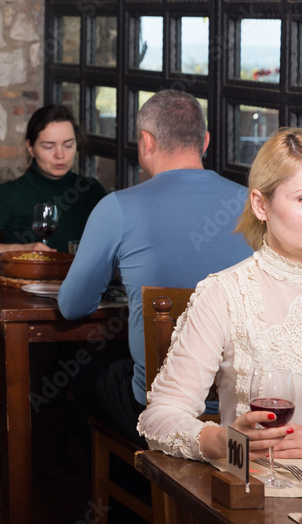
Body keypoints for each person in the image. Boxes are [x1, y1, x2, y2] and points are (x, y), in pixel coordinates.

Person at [58, 90, 253, 444]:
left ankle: (132, 487)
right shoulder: (252, 205)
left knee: (85, 372)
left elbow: (72, 306)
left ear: (145, 142)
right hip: (240, 405)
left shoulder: (117, 207)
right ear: (205, 141)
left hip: (156, 404)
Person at [138, 127, 302, 461]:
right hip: (258, 496)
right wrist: (227, 442)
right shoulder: (225, 294)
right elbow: (160, 417)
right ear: (260, 205)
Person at [0, 104, 107, 263]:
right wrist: (20, 251)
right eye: (49, 146)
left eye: (68, 145)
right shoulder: (10, 194)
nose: (60, 154)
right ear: (30, 148)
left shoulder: (91, 191)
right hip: (26, 286)